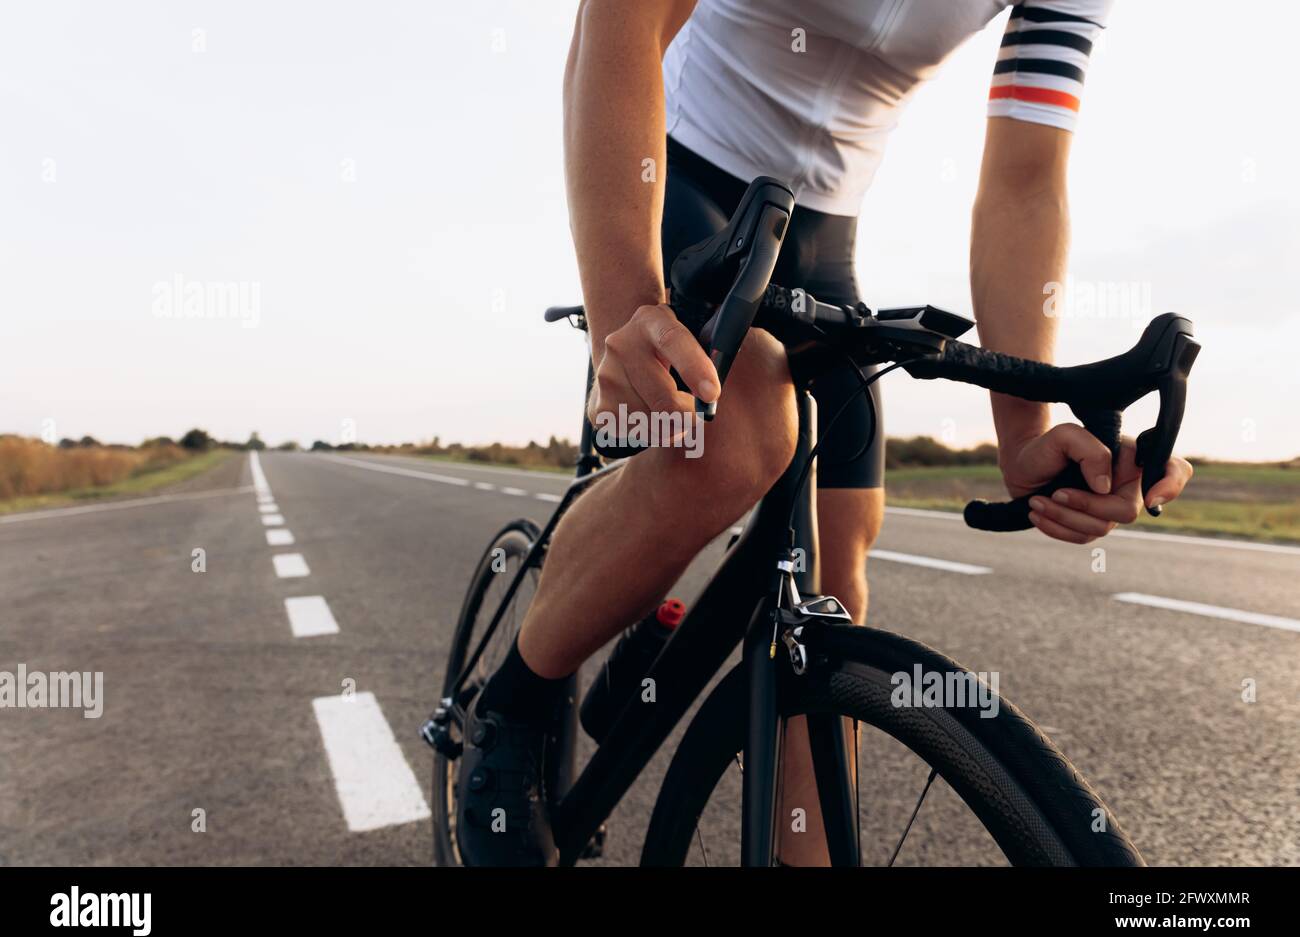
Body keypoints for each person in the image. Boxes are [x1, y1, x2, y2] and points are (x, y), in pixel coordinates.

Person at [455, 0, 1193, 866]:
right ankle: (513, 704)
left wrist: (1023, 428)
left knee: (835, 568)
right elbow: (620, 18)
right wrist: (629, 309)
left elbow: (1025, 179)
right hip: (679, 169)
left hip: (822, 234)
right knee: (741, 433)